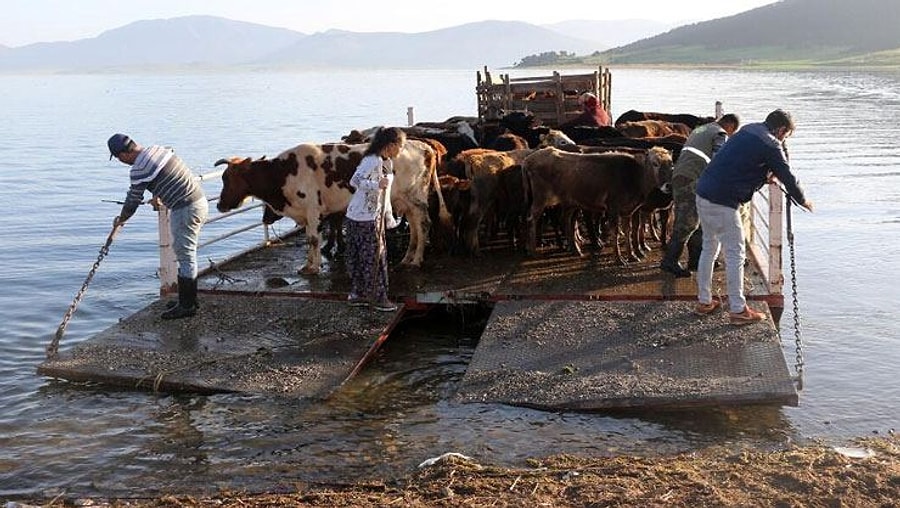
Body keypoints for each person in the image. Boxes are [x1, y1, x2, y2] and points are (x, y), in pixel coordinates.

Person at [694, 109, 813, 325]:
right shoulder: (771, 143)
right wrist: (803, 200)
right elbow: (788, 175)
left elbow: (742, 163)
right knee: (736, 254)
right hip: (723, 201)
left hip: (703, 191)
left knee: (709, 247)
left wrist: (762, 176)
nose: (784, 139)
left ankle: (704, 301)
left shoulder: (749, 130)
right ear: (781, 130)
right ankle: (738, 310)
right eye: (786, 135)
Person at [107, 133, 208, 320]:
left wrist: (121, 220)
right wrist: (158, 194)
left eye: (119, 158)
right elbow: (167, 174)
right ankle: (188, 300)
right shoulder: (157, 149)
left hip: (185, 208)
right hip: (198, 201)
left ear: (122, 154)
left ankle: (187, 307)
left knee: (186, 257)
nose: (122, 162)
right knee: (185, 254)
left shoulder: (138, 169)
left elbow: (132, 201)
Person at [660, 113, 741, 278]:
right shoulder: (720, 134)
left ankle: (695, 260)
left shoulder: (701, 129)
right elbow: (720, 160)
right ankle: (670, 260)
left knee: (697, 220)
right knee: (687, 222)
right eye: (733, 133)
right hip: (692, 179)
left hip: (681, 174)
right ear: (731, 126)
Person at [344, 127, 405, 312]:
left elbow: (384, 197)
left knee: (367, 256)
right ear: (391, 145)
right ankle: (377, 298)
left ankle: (360, 294)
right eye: (401, 146)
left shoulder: (386, 162)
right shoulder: (372, 160)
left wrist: (391, 218)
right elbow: (354, 181)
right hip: (363, 217)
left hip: (370, 215)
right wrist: (376, 184)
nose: (401, 150)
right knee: (373, 258)